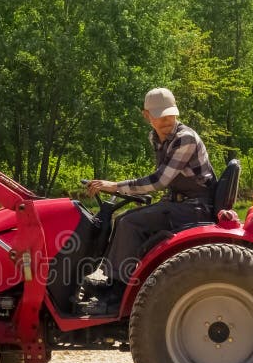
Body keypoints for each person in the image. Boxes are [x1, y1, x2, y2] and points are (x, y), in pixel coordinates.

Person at [84, 87, 216, 305]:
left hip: (195, 207)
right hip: (179, 203)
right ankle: (116, 281)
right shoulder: (156, 138)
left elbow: (159, 181)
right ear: (147, 116)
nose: (166, 120)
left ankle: (117, 291)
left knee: (129, 223)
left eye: (170, 113)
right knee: (126, 219)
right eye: (159, 115)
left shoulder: (186, 138)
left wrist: (115, 186)